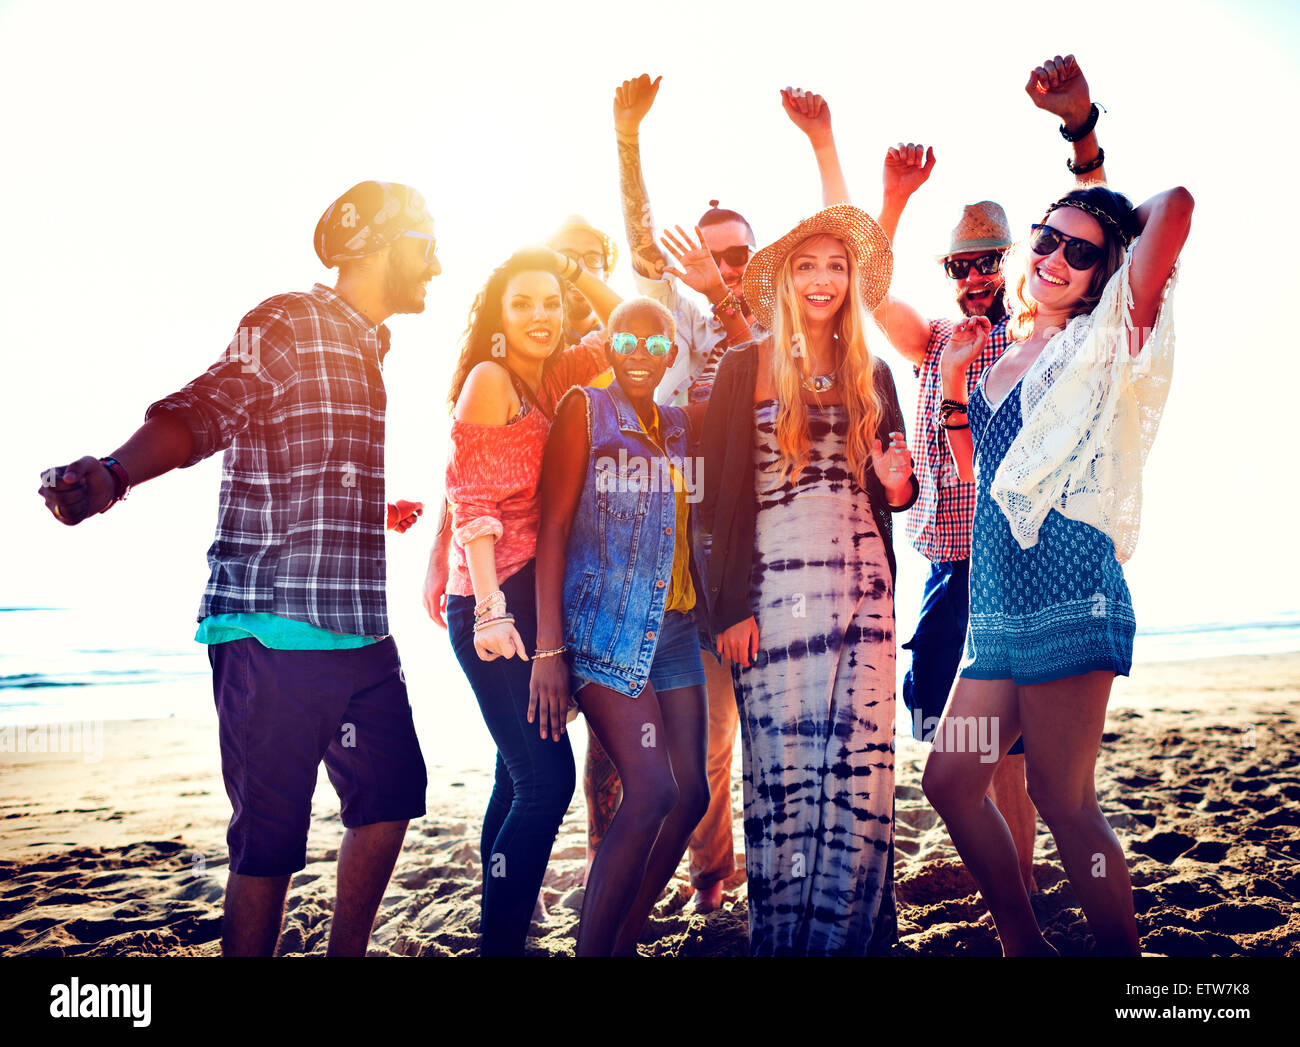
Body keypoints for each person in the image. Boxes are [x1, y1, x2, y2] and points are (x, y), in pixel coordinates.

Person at [37, 181, 439, 957]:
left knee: (390, 797)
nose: (438, 264)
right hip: (267, 626)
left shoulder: (367, 343)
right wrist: (116, 473)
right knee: (271, 842)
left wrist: (367, 504)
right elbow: (207, 410)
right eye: (425, 244)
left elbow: (301, 447)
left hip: (356, 633)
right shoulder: (288, 320)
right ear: (377, 247)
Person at [922, 116, 1193, 957]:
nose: (1054, 259)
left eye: (1081, 253)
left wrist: (1082, 133)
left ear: (1105, 275)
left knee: (1063, 797)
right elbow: (978, 477)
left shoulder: (1105, 342)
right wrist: (960, 383)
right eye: (1048, 239)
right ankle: (1022, 943)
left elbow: (1175, 205)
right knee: (951, 778)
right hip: (998, 610)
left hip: (1070, 592)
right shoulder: (1003, 354)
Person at [862, 54, 1111, 895]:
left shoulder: (1041, 338)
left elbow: (1100, 251)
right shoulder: (933, 340)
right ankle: (1009, 859)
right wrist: (894, 200)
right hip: (951, 566)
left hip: (1025, 567)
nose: (973, 277)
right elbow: (870, 293)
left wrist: (1079, 128)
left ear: (1010, 261)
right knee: (944, 721)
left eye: (986, 262)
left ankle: (1027, 873)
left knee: (1019, 748)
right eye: (959, 266)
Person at [605, 74, 836, 912]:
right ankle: (663, 882)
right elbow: (639, 240)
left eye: (739, 254)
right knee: (662, 748)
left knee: (747, 739)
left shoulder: (775, 323)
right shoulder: (668, 313)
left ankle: (743, 886)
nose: (722, 266)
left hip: (753, 560)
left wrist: (728, 295)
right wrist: (628, 139)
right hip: (665, 557)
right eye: (708, 254)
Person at [698, 204, 917, 956]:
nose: (822, 279)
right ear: (784, 280)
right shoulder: (743, 366)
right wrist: (726, 607)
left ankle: (855, 943)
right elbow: (718, 497)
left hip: (865, 597)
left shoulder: (874, 371)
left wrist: (896, 481)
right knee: (785, 783)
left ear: (851, 278)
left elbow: (895, 490)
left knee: (859, 783)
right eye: (806, 265)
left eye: (836, 266)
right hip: (774, 601)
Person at [442, 246, 621, 956]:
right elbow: (471, 505)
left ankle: (499, 930)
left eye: (551, 301)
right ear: (497, 316)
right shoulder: (490, 379)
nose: (541, 316)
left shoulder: (558, 373)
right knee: (547, 781)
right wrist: (491, 610)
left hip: (535, 594)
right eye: (523, 303)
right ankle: (501, 943)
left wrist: (570, 273)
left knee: (512, 775)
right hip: (495, 606)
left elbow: (632, 322)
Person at [531, 296, 712, 956]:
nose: (642, 354)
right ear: (607, 344)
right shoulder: (588, 409)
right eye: (627, 340)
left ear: (671, 354)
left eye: (657, 344)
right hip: (603, 629)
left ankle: (624, 936)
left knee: (689, 793)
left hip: (676, 629)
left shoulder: (678, 426)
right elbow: (552, 523)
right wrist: (549, 647)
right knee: (652, 787)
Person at [546, 214, 619, 346]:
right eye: (567, 258)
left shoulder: (622, 343)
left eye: (593, 259)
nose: (581, 269)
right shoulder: (530, 341)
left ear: (605, 277)